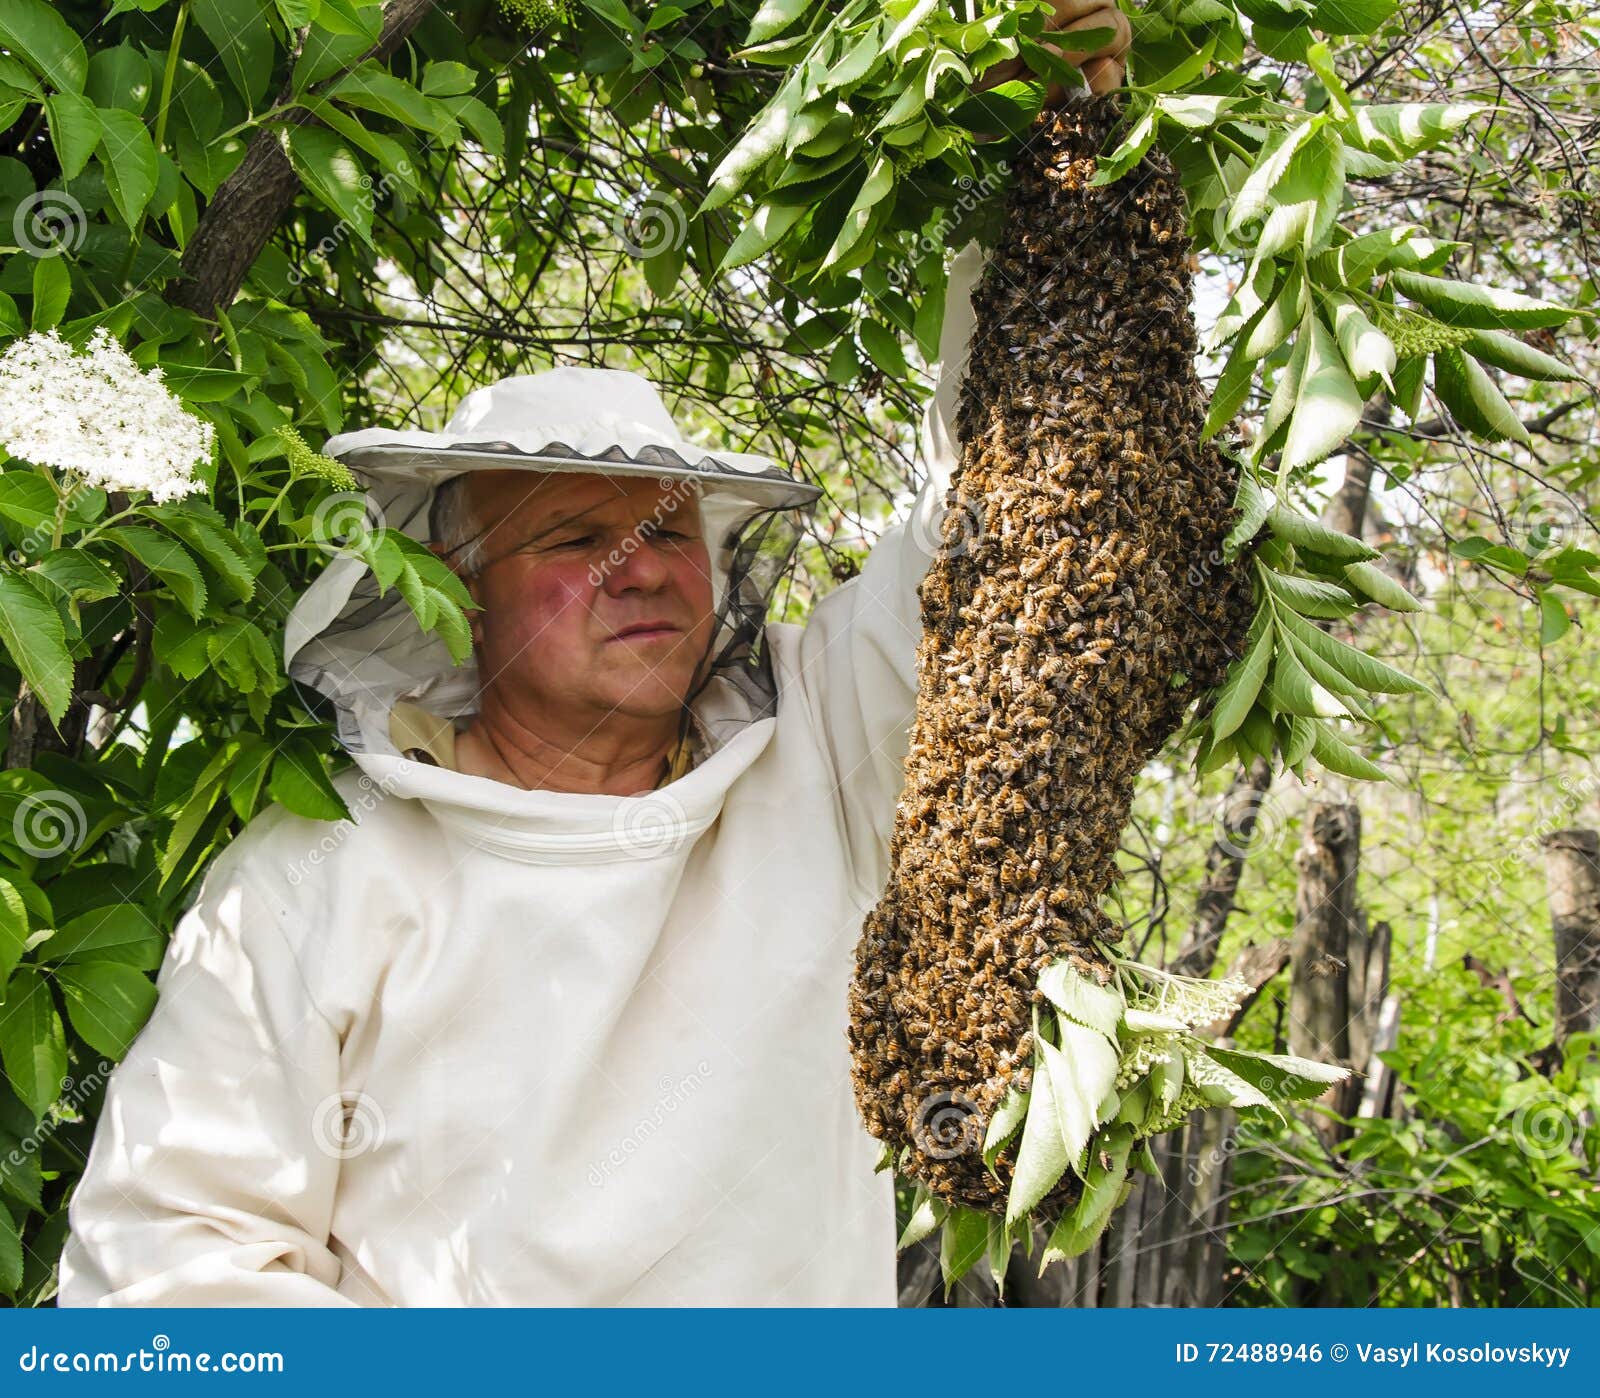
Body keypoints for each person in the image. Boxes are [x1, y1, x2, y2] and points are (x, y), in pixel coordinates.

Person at [56, 6, 1129, 1306]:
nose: (648, 568)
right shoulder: (313, 879)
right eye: (575, 536)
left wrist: (1046, 148)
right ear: (462, 592)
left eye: (672, 528)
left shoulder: (826, 761)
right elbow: (166, 1253)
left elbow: (1005, 517)